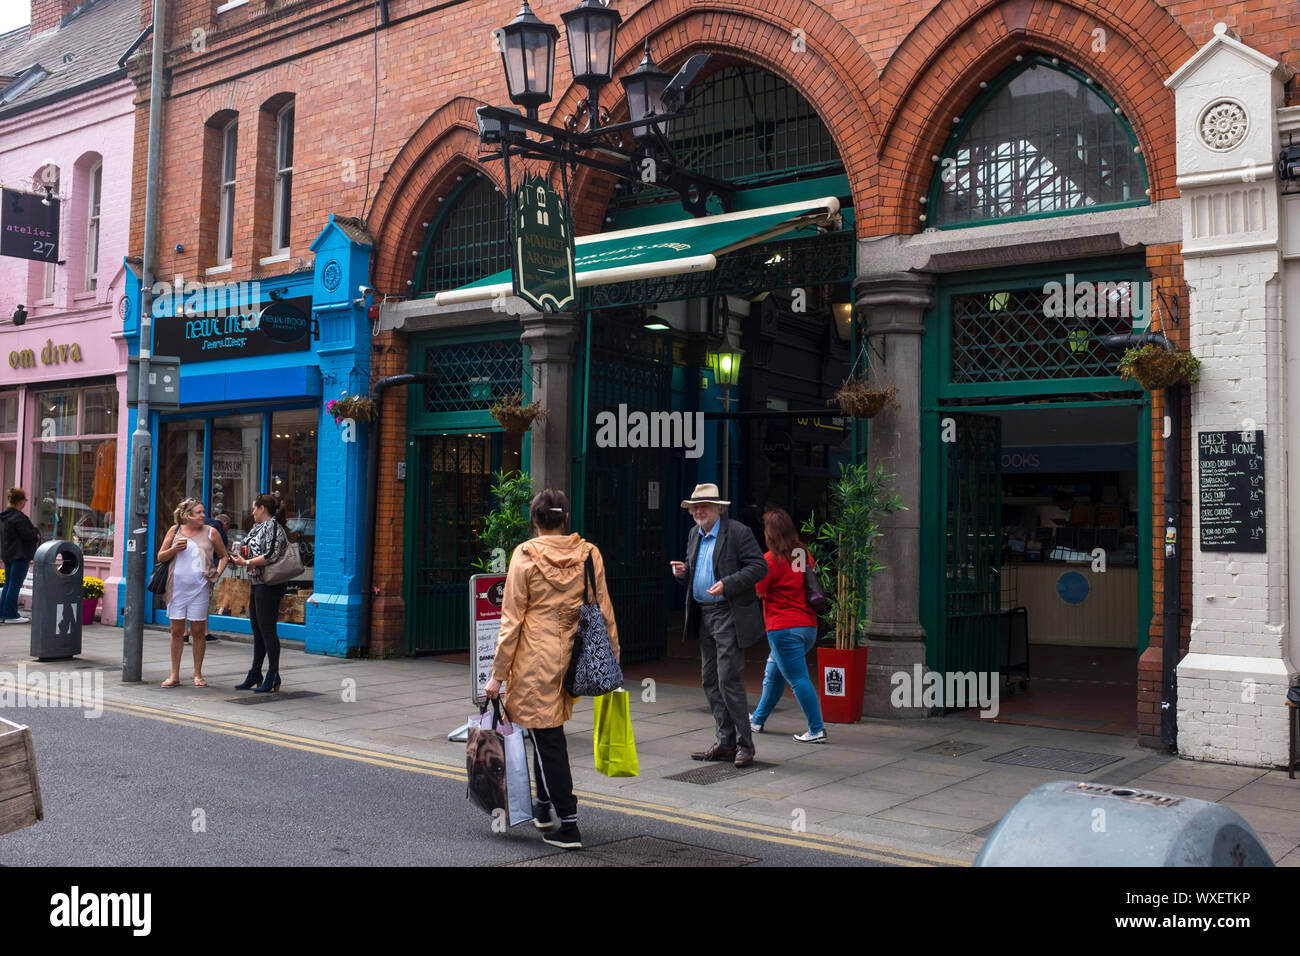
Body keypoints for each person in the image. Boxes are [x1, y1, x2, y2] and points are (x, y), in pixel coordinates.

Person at [484, 488, 618, 851]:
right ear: (565, 519)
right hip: (574, 655)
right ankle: (543, 808)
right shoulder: (589, 553)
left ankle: (569, 822)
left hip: (535, 658)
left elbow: (511, 621)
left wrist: (497, 674)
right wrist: (613, 659)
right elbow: (604, 610)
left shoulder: (525, 556)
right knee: (546, 731)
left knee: (548, 738)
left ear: (535, 520)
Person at [670, 483, 768, 768]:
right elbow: (695, 575)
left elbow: (759, 567)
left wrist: (727, 584)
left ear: (718, 509)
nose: (698, 511)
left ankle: (745, 745)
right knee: (710, 680)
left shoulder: (738, 532)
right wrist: (682, 573)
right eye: (694, 507)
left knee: (727, 679)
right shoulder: (693, 535)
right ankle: (726, 742)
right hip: (704, 614)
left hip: (728, 612)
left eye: (704, 506)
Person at [750, 508, 826, 743]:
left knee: (798, 679)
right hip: (808, 627)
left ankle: (816, 729)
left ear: (770, 534)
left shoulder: (769, 561)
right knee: (773, 674)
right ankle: (757, 720)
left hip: (783, 629)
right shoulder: (803, 555)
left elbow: (760, 591)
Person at [156, 498, 228, 687]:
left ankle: (198, 674)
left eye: (203, 512)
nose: (204, 515)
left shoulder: (212, 532)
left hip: (200, 589)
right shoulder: (174, 531)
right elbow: (160, 556)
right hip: (177, 588)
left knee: (197, 631)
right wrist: (174, 549)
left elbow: (223, 556)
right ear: (187, 515)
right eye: (199, 513)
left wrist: (216, 575)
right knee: (176, 630)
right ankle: (174, 674)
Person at [229, 493, 289, 693]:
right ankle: (255, 672)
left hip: (270, 584)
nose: (252, 511)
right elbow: (248, 547)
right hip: (257, 582)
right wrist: (237, 553)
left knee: (268, 630)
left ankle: (273, 674)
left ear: (262, 508)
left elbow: (271, 555)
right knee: (257, 629)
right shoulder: (257, 527)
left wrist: (245, 562)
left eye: (254, 508)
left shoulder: (273, 527)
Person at [0, 488, 40, 625]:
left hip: (8, 554)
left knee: (8, 584)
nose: (25, 503)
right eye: (25, 500)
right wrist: (36, 532)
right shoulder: (19, 517)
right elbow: (28, 535)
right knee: (15, 584)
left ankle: (3, 613)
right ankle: (11, 614)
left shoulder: (4, 517)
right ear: (20, 501)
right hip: (20, 554)